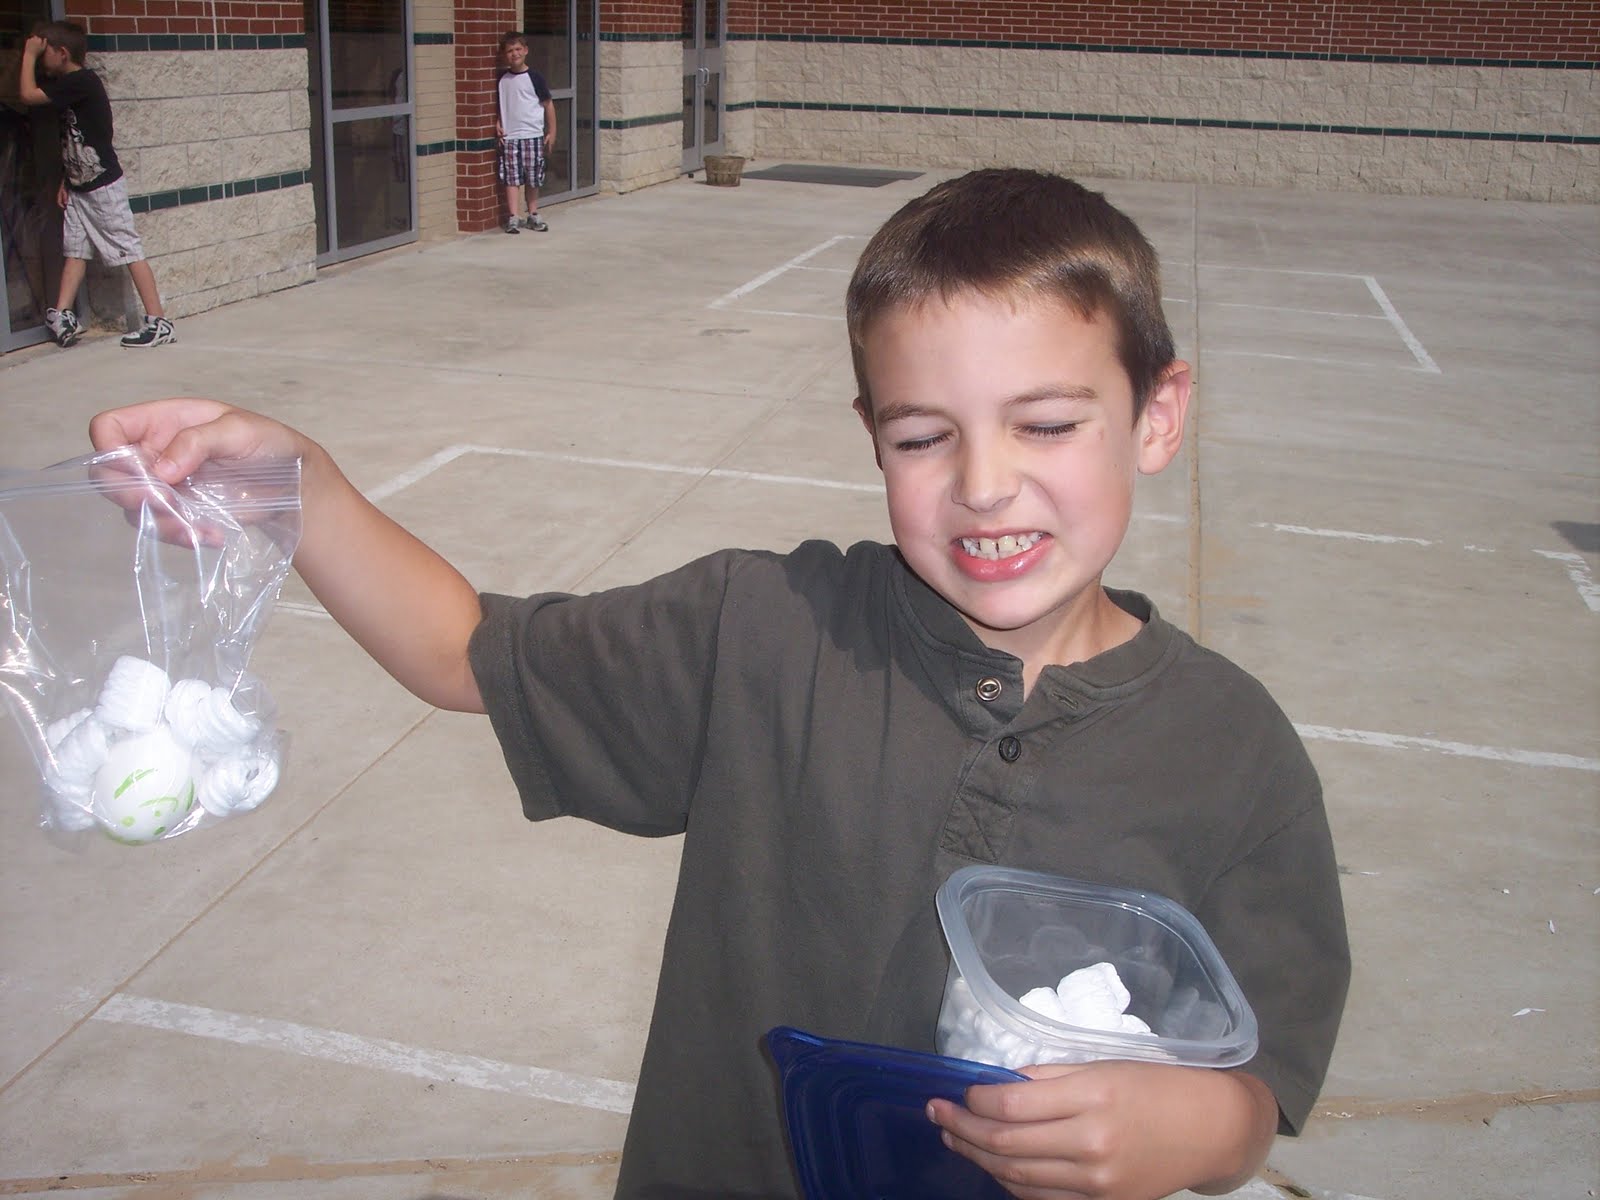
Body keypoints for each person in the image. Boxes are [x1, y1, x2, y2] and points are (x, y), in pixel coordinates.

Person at [89, 169, 1349, 1200]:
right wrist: (294, 479)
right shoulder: (765, 625)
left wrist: (1195, 1131)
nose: (982, 482)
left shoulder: (1233, 754)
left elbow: (1257, 1084)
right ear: (871, 433)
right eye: (923, 436)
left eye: (1048, 423)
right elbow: (461, 651)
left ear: (1156, 414)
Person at [17, 21, 174, 348]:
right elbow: (80, 138)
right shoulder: (71, 85)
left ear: (62, 54)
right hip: (79, 186)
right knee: (76, 250)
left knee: (129, 248)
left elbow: (27, 95)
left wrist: (28, 55)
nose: (42, 59)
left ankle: (159, 321)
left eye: (45, 53)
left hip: (102, 186)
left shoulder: (81, 82)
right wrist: (66, 179)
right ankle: (62, 313)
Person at [494, 31, 556, 235]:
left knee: (532, 176)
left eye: (518, 49)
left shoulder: (535, 77)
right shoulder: (503, 80)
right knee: (511, 177)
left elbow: (548, 105)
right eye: (510, 50)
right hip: (510, 137)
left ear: (526, 51)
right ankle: (513, 216)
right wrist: (498, 122)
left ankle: (533, 213)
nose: (514, 54)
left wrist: (551, 131)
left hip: (533, 134)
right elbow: (503, 105)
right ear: (505, 55)